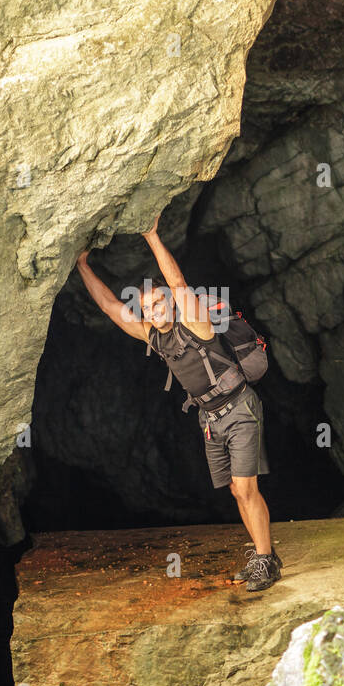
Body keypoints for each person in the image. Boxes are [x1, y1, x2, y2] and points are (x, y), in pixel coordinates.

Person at [75, 216, 281, 591]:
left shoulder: (196, 324)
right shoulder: (154, 337)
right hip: (210, 419)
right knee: (237, 490)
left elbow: (179, 283)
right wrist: (81, 265)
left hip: (239, 410)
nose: (153, 311)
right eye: (146, 308)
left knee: (245, 487)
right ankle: (262, 553)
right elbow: (108, 307)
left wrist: (152, 236)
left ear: (170, 304)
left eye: (158, 303)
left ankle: (266, 562)